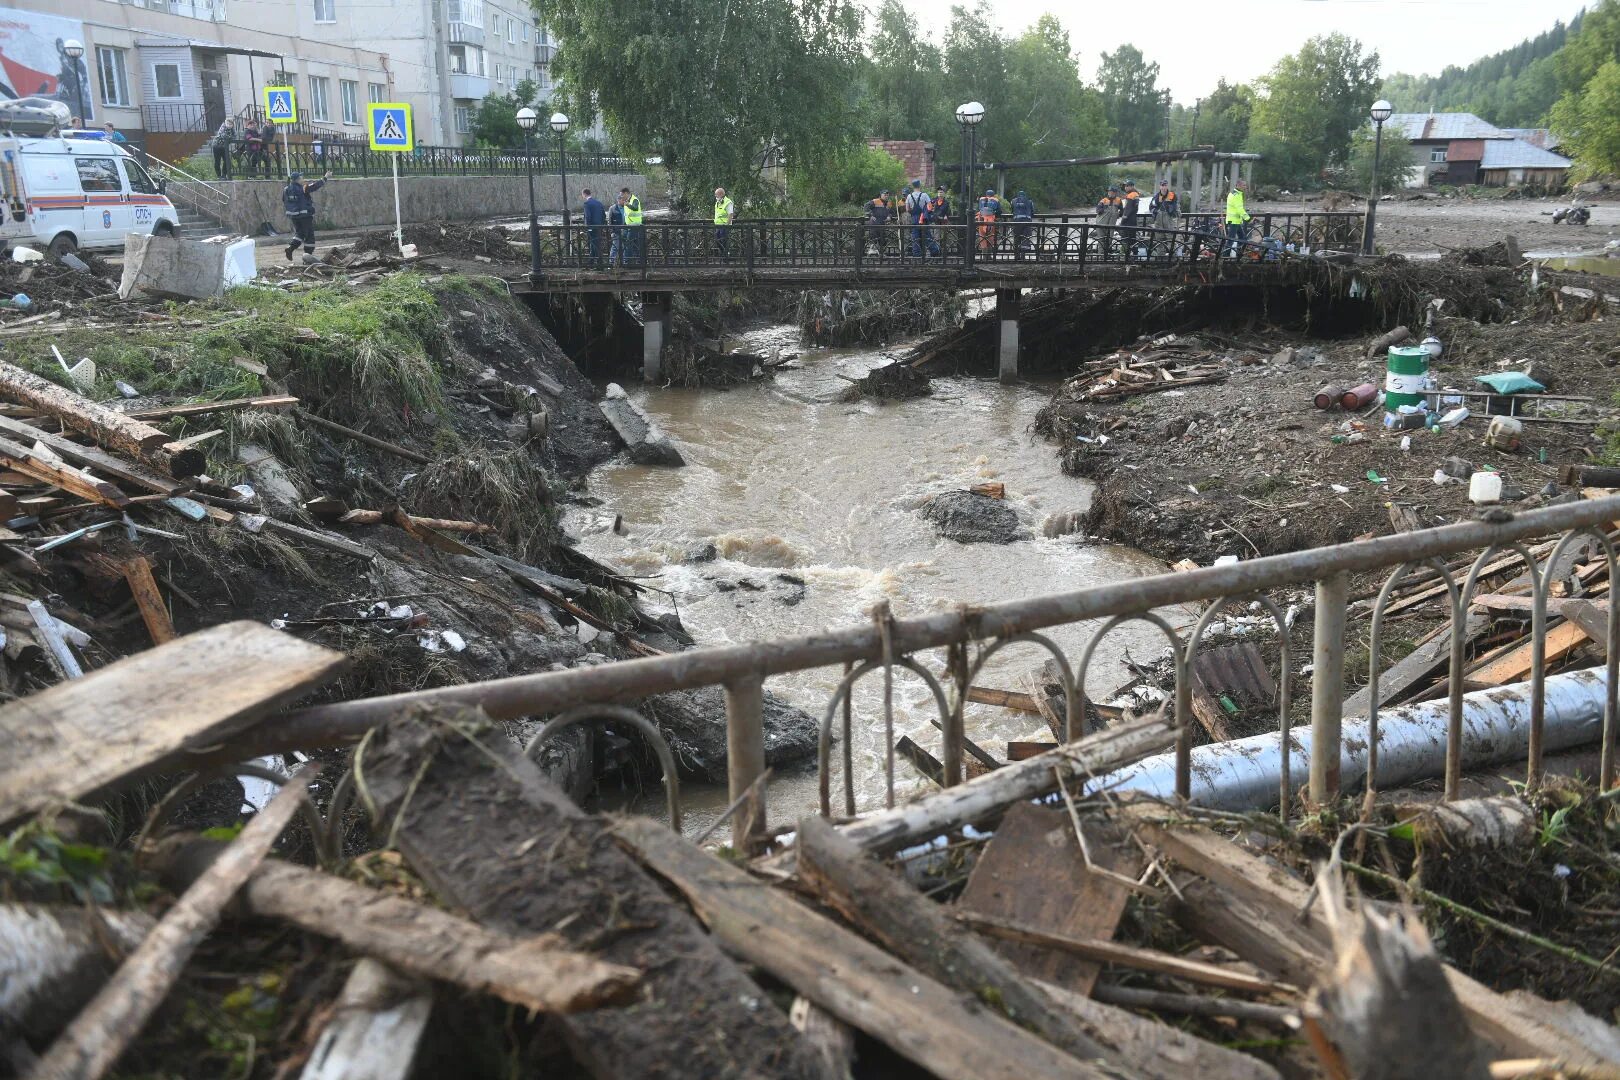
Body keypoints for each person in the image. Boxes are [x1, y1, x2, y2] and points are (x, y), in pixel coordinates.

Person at [282, 170, 332, 261]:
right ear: (297, 179)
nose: (303, 179)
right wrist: (325, 177)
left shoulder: (286, 189)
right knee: (309, 236)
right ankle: (307, 257)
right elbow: (315, 186)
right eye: (301, 177)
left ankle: (290, 248)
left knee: (300, 234)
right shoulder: (303, 188)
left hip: (294, 217)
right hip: (305, 216)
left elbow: (284, 200)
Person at [904, 179, 938, 258]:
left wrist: (913, 212)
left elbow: (907, 209)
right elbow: (930, 207)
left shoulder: (909, 196)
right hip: (923, 218)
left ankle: (917, 254)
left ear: (913, 186)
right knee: (927, 236)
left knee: (915, 237)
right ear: (919, 185)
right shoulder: (924, 195)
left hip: (914, 218)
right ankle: (935, 251)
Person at [1095, 184, 1124, 257]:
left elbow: (1122, 211)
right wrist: (1105, 210)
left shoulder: (1119, 200)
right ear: (1108, 192)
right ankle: (1101, 255)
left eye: (1113, 192)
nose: (1111, 193)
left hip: (1111, 224)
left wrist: (1118, 214)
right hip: (1101, 223)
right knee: (1101, 239)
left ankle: (1107, 255)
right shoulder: (1103, 200)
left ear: (1115, 193)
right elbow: (1098, 210)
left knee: (1109, 239)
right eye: (1110, 192)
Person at [1225, 178, 1252, 256]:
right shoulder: (1237, 195)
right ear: (1238, 185)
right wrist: (1247, 218)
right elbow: (1239, 208)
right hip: (1234, 221)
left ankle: (1238, 254)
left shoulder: (1234, 193)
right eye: (1244, 185)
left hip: (1234, 220)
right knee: (1231, 240)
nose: (1245, 187)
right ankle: (1225, 256)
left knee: (1242, 238)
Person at [863, 189, 893, 256]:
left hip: (883, 223)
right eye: (885, 195)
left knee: (882, 239)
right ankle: (871, 254)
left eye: (887, 195)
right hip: (874, 223)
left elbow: (891, 212)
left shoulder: (889, 203)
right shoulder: (875, 201)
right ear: (881, 195)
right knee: (873, 238)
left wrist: (889, 217)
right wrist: (870, 215)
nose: (886, 196)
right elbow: (865, 207)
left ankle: (881, 254)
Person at [582, 187, 607, 266]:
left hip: (592, 228)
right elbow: (603, 215)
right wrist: (602, 225)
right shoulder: (598, 203)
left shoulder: (587, 204)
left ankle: (599, 262)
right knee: (595, 244)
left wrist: (587, 227)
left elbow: (588, 217)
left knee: (594, 244)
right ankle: (591, 261)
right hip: (599, 227)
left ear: (584, 194)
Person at [621, 186, 644, 262]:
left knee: (629, 243)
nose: (622, 196)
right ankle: (638, 260)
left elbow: (635, 208)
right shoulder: (627, 201)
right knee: (635, 243)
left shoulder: (634, 199)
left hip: (635, 225)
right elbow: (626, 214)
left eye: (622, 195)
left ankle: (628, 261)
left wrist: (627, 204)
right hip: (629, 225)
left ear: (626, 193)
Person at [975, 188, 1001, 253]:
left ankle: (984, 255)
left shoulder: (981, 199)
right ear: (993, 195)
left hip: (981, 220)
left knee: (982, 236)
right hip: (991, 221)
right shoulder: (996, 200)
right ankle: (989, 255)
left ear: (986, 194)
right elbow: (999, 211)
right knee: (991, 236)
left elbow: (979, 208)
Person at [1010, 188, 1035, 253]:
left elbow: (1012, 210)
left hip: (1017, 222)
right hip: (1027, 222)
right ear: (1025, 195)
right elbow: (1033, 212)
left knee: (1017, 237)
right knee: (1026, 238)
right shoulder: (1029, 201)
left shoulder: (1013, 201)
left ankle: (1016, 255)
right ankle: (1023, 255)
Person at [713, 186, 735, 258]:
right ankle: (724, 254)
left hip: (725, 225)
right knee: (717, 240)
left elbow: (730, 214)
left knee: (724, 241)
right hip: (718, 225)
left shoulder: (728, 202)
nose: (715, 196)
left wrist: (727, 225)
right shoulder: (718, 202)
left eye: (716, 194)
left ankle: (726, 256)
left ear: (721, 194)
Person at [607, 192, 627, 267]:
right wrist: (612, 231)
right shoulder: (612, 208)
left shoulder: (627, 207)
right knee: (615, 247)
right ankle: (611, 263)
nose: (624, 201)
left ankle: (625, 262)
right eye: (623, 200)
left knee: (626, 247)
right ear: (618, 200)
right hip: (616, 231)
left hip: (625, 230)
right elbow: (610, 221)